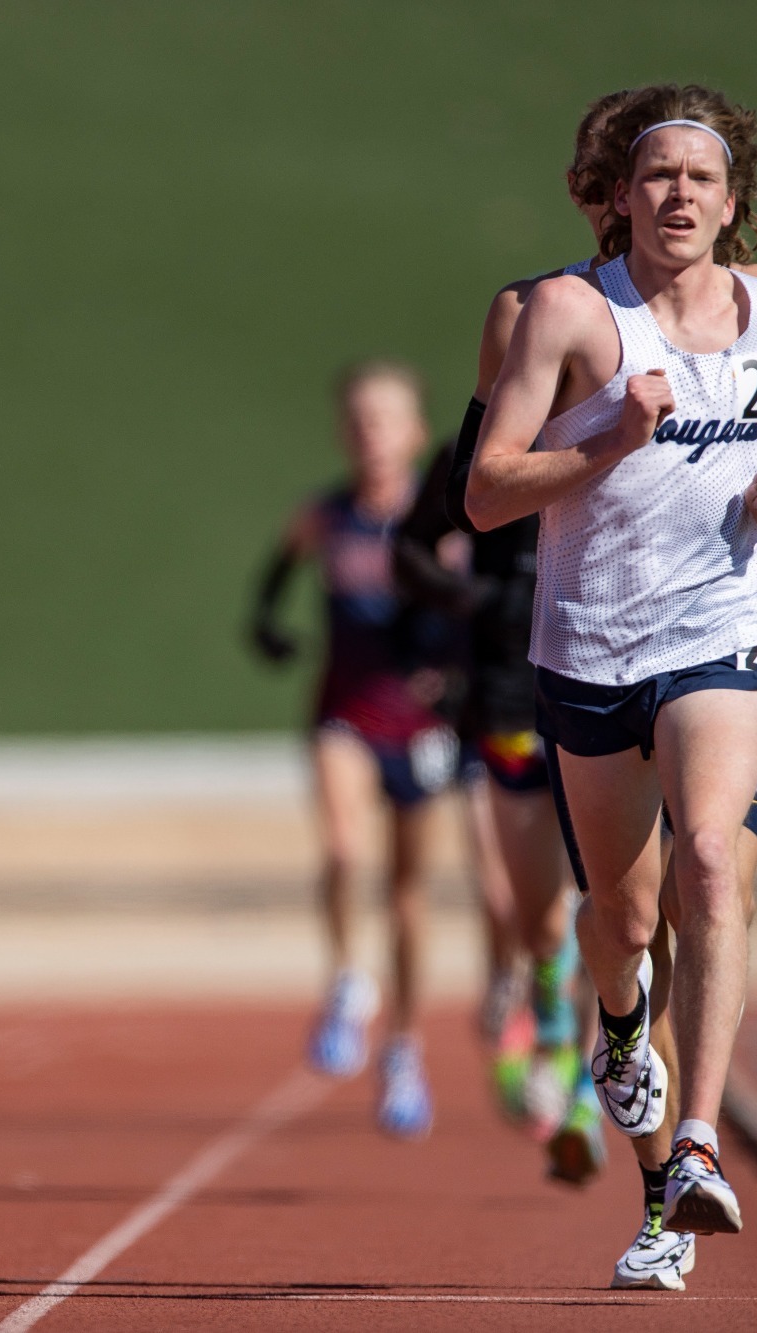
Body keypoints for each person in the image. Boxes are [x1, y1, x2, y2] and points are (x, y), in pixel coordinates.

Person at [468, 83, 757, 1253]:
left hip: (720, 630)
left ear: (734, 206)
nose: (678, 195)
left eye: (700, 179)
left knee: (712, 865)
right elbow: (482, 492)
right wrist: (612, 439)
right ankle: (618, 1025)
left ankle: (695, 1144)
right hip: (586, 648)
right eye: (657, 176)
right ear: (619, 196)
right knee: (618, 921)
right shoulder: (570, 316)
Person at [249, 360, 456, 1140]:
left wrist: (455, 667)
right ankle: (347, 982)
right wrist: (267, 623)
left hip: (422, 725)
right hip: (345, 713)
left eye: (386, 419)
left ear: (412, 432)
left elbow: (481, 608)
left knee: (407, 894)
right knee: (342, 849)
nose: (371, 433)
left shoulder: (442, 523)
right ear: (345, 431)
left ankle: (403, 1048)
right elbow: (274, 576)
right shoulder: (325, 515)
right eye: (359, 420)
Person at [394, 443, 599, 1183]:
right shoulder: (476, 451)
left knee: (619, 912)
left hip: (608, 699)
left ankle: (587, 1094)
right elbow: (409, 551)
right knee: (534, 912)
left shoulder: (623, 426)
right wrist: (477, 604)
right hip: (510, 706)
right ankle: (547, 1031)